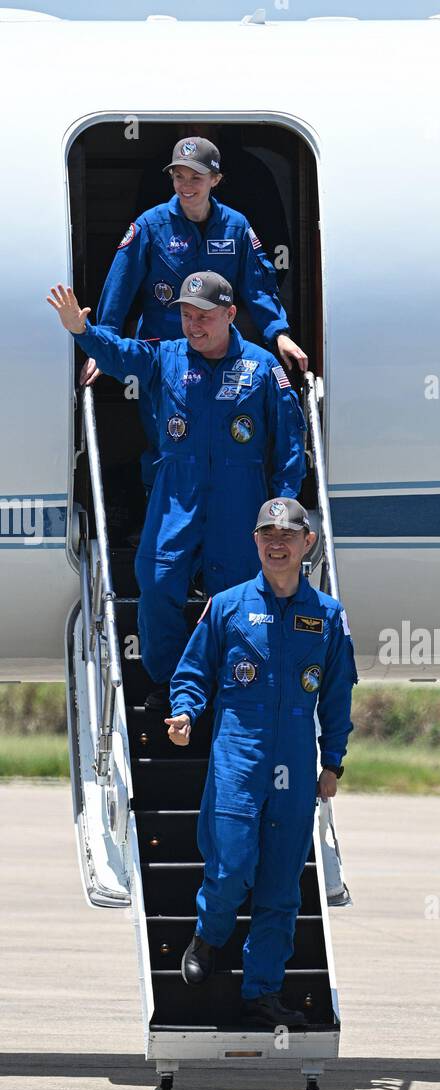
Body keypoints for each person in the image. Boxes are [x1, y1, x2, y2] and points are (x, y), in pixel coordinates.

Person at [48, 274, 306, 705]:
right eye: (186, 315)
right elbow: (121, 355)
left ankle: (233, 683)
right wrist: (82, 330)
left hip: (239, 497)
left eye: (203, 316)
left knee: (238, 592)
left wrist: (281, 507)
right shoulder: (166, 357)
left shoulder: (262, 368)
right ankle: (171, 684)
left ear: (230, 314)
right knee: (157, 581)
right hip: (176, 495)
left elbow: (290, 442)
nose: (193, 326)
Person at [165, 498, 357, 1029]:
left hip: (296, 765)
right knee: (229, 868)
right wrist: (185, 711)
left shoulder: (327, 617)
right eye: (267, 534)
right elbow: (193, 671)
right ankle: (209, 934)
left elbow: (337, 697)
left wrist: (332, 763)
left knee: (280, 886)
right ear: (255, 542)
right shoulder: (226, 607)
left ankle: (263, 990)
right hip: (238, 759)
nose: (277, 543)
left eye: (288, 535)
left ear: (306, 544)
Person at [80, 136, 307, 490]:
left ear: (215, 180)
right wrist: (103, 344)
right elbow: (119, 286)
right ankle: (160, 530)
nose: (186, 186)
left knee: (222, 443)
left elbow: (258, 285)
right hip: (165, 356)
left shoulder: (236, 226)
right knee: (167, 445)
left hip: (221, 356)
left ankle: (217, 532)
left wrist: (279, 333)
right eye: (179, 177)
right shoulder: (150, 226)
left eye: (196, 178)